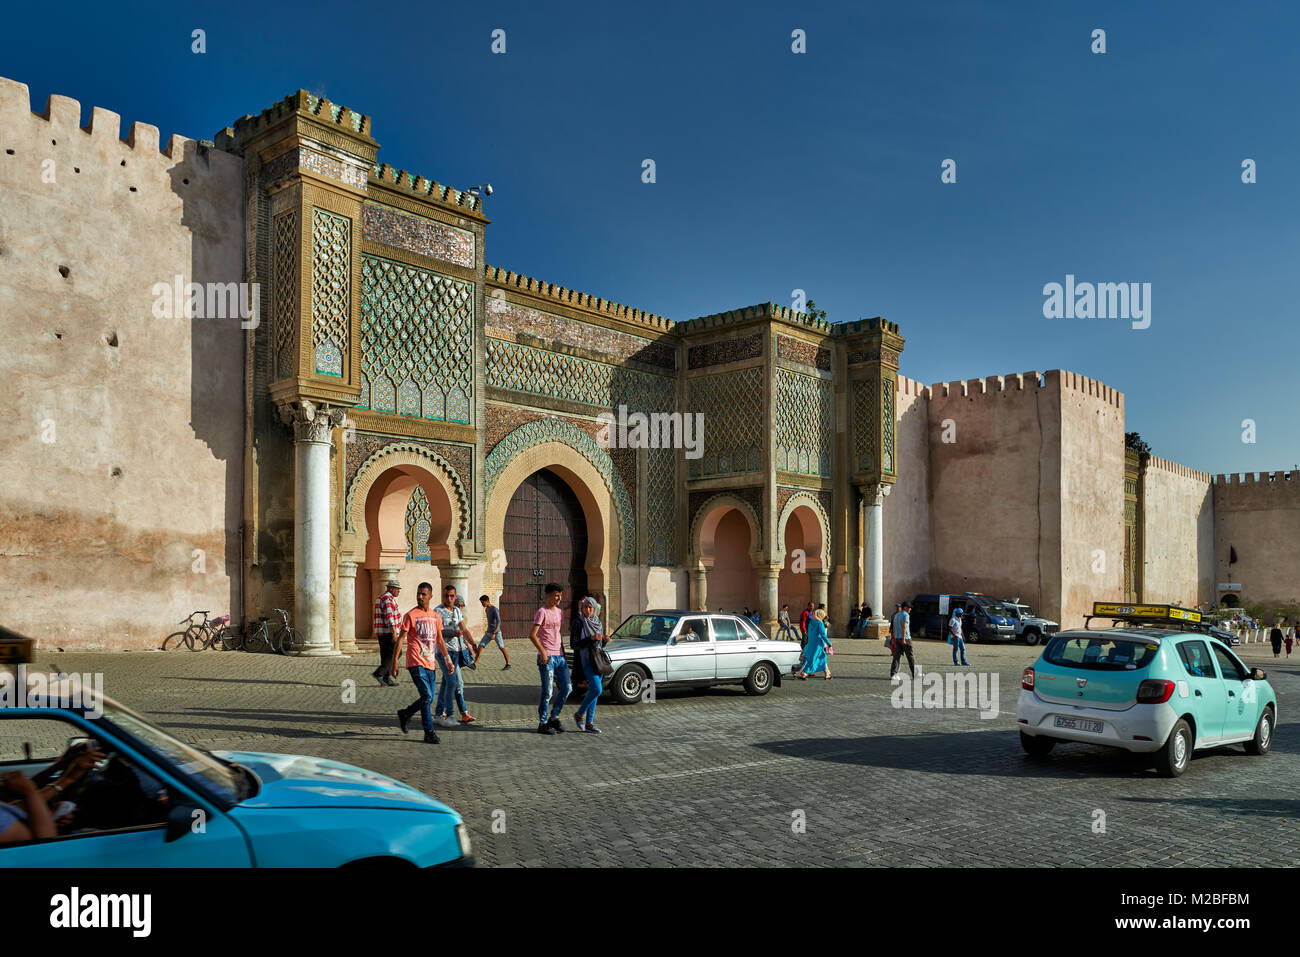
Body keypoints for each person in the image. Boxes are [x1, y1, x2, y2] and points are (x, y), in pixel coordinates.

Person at [393, 581, 455, 744]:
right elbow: (400, 640)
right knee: (427, 696)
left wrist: (448, 660)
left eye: (423, 594)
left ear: (430, 596)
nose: (420, 597)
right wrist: (394, 663)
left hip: (430, 663)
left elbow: (440, 641)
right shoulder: (410, 615)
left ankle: (406, 713)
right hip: (415, 662)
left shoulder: (435, 617)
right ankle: (429, 732)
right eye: (418, 594)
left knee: (427, 699)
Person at [530, 583, 572, 736]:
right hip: (547, 658)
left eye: (560, 595)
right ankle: (542, 723)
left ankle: (554, 717)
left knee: (567, 687)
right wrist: (542, 651)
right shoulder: (542, 612)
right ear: (547, 595)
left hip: (560, 657)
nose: (559, 598)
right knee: (547, 691)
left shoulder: (560, 613)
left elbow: (557, 633)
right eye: (556, 595)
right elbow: (532, 634)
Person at [433, 589, 478, 727]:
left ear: (455, 597)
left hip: (455, 652)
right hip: (442, 651)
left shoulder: (457, 611)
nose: (449, 598)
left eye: (452, 596)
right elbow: (437, 632)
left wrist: (473, 644)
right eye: (446, 596)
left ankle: (439, 714)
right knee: (454, 682)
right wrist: (453, 633)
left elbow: (464, 629)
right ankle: (450, 715)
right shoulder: (437, 611)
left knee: (447, 682)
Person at [572, 597, 608, 733]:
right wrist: (590, 639)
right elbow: (574, 644)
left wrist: (604, 641)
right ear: (582, 609)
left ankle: (589, 723)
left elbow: (598, 646)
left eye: (590, 608)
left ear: (594, 609)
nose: (587, 610)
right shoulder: (578, 623)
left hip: (598, 661)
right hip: (585, 661)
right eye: (585, 607)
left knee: (595, 691)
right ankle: (580, 714)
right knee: (597, 689)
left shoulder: (598, 622)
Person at [371, 579, 402, 686]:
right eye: (397, 589)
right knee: (397, 652)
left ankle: (386, 678)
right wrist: (394, 632)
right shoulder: (388, 599)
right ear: (391, 589)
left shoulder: (382, 598)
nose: (398, 591)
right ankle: (379, 673)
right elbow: (389, 617)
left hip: (382, 632)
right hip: (388, 632)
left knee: (385, 655)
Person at [475, 594, 510, 668]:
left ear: (487, 601)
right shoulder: (486, 610)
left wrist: (494, 633)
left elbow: (499, 622)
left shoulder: (494, 609)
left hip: (496, 633)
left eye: (482, 603)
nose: (482, 604)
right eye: (481, 603)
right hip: (488, 633)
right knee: (480, 646)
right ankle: (475, 664)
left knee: (501, 647)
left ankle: (508, 663)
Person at [796, 608, 832, 679]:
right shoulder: (820, 623)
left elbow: (809, 633)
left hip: (811, 643)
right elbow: (823, 635)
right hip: (817, 644)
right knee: (815, 659)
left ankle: (827, 674)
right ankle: (804, 673)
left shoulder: (811, 622)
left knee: (820, 657)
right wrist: (829, 643)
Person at [890, 601, 916, 679]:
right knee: (910, 656)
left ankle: (893, 674)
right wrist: (904, 639)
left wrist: (894, 638)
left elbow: (893, 627)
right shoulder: (906, 615)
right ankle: (915, 674)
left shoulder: (896, 615)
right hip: (905, 638)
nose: (910, 609)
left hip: (897, 638)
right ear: (905, 607)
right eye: (909, 608)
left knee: (896, 657)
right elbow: (904, 627)